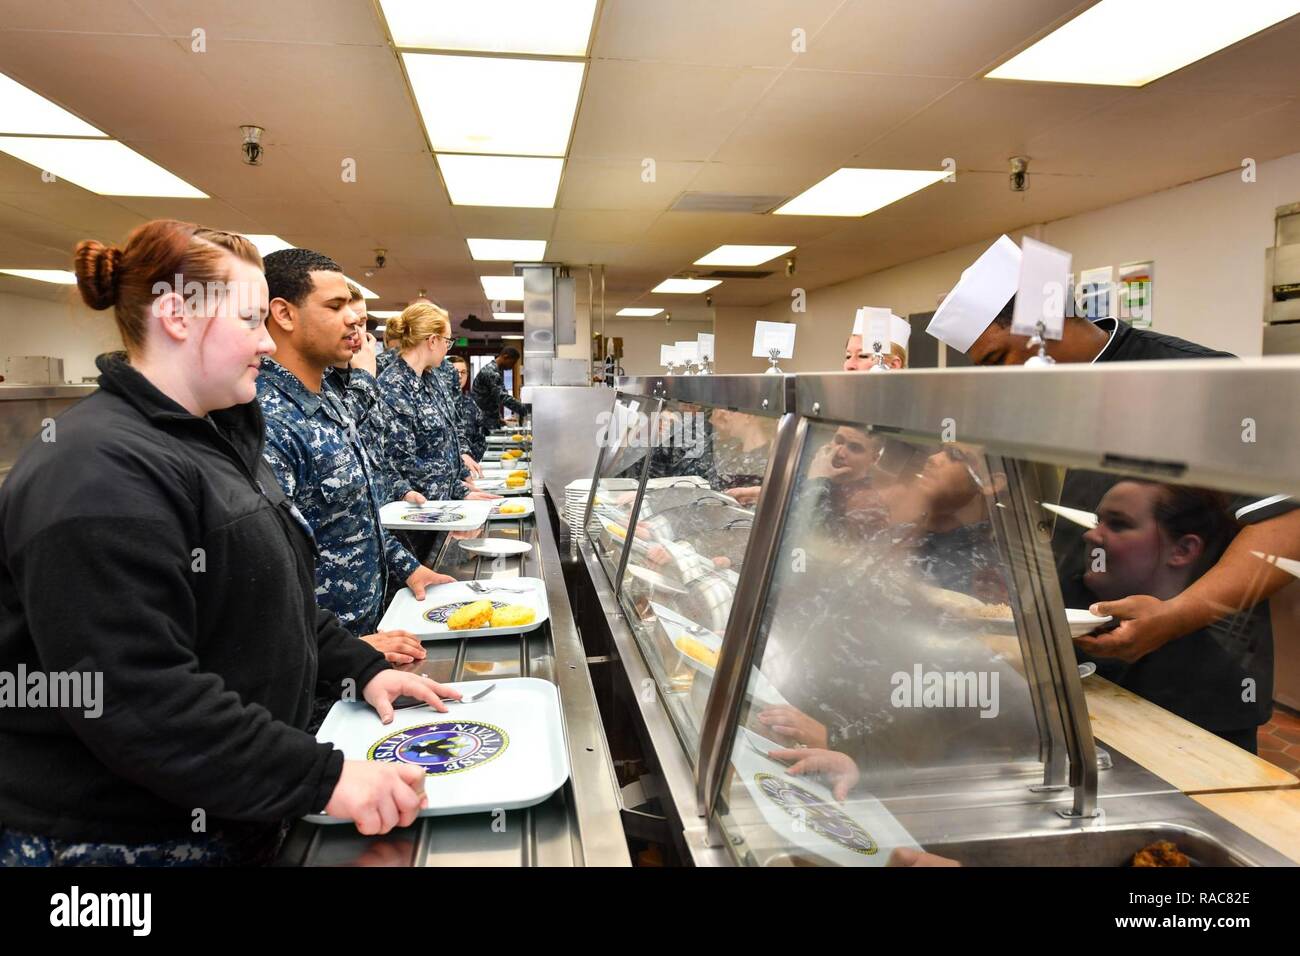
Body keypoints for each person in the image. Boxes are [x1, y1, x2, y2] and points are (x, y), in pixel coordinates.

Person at [0, 220, 460, 866]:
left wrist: (361, 667)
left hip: (229, 808)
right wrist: (323, 778)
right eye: (249, 320)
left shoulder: (215, 440)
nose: (267, 345)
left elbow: (279, 598)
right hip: (117, 847)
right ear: (176, 318)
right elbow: (142, 700)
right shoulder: (95, 469)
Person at [926, 235, 1297, 738]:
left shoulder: (1191, 377)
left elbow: (1286, 524)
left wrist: (1174, 615)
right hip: (1082, 675)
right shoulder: (1046, 399)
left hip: (1190, 684)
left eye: (999, 358)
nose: (1003, 379)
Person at [256, 248, 451, 644]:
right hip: (319, 663)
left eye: (353, 307)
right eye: (335, 305)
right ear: (284, 314)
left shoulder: (327, 397)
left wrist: (409, 568)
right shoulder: (265, 418)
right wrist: (346, 652)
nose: (354, 322)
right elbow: (263, 582)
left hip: (364, 635)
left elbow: (357, 513)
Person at [1073, 481, 1268, 750]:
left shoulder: (1211, 686)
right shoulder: (1082, 617)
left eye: (1118, 524)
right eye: (1098, 522)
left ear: (1183, 550)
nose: (1091, 535)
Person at [377, 304, 499, 503]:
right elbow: (402, 463)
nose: (448, 347)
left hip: (443, 502)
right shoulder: (393, 386)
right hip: (418, 510)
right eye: (447, 341)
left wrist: (460, 487)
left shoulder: (433, 378)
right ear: (433, 341)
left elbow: (445, 444)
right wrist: (457, 490)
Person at [472, 346, 528, 434]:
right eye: (512, 363)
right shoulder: (491, 372)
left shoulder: (494, 370)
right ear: (505, 357)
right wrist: (525, 409)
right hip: (483, 422)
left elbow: (491, 399)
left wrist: (498, 418)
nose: (512, 366)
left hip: (487, 419)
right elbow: (502, 397)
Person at [448, 355, 485, 462]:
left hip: (468, 469)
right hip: (442, 472)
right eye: (454, 372)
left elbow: (480, 440)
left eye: (463, 372)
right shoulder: (435, 402)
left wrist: (470, 461)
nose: (459, 376)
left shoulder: (471, 403)